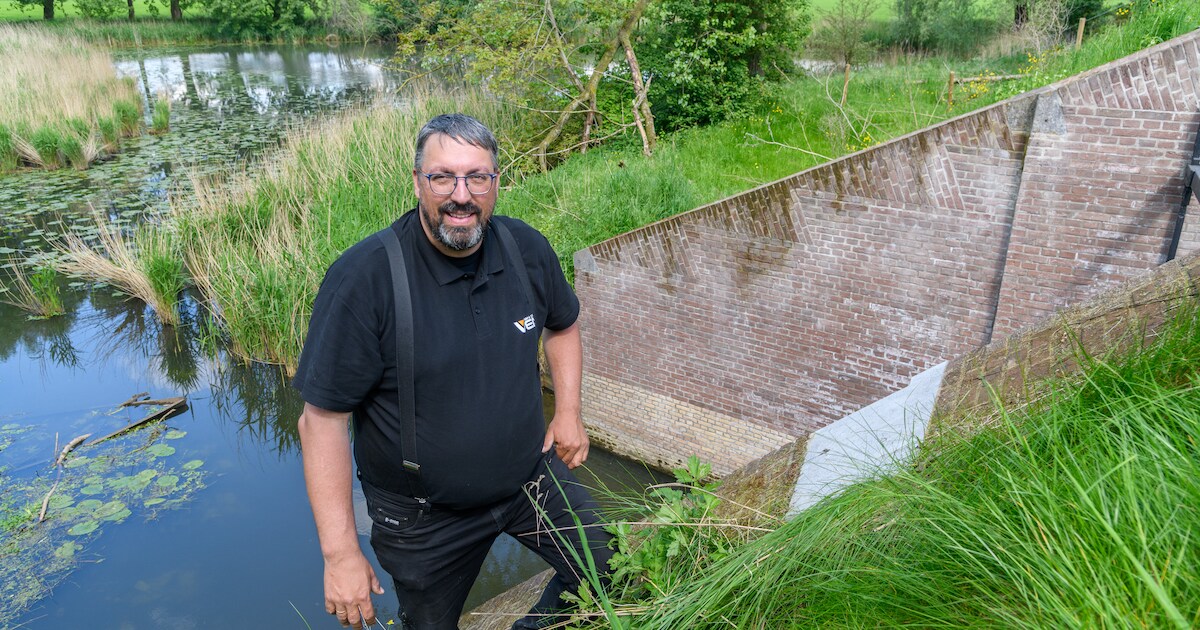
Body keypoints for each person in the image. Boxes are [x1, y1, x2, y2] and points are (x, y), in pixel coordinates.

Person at [293, 113, 613, 630]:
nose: (461, 195)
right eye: (443, 177)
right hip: (424, 517)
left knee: (609, 571)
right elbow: (321, 422)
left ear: (496, 183)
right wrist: (340, 555)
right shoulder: (365, 279)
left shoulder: (524, 248)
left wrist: (570, 411)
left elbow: (563, 326)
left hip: (530, 478)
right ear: (418, 182)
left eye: (477, 177)